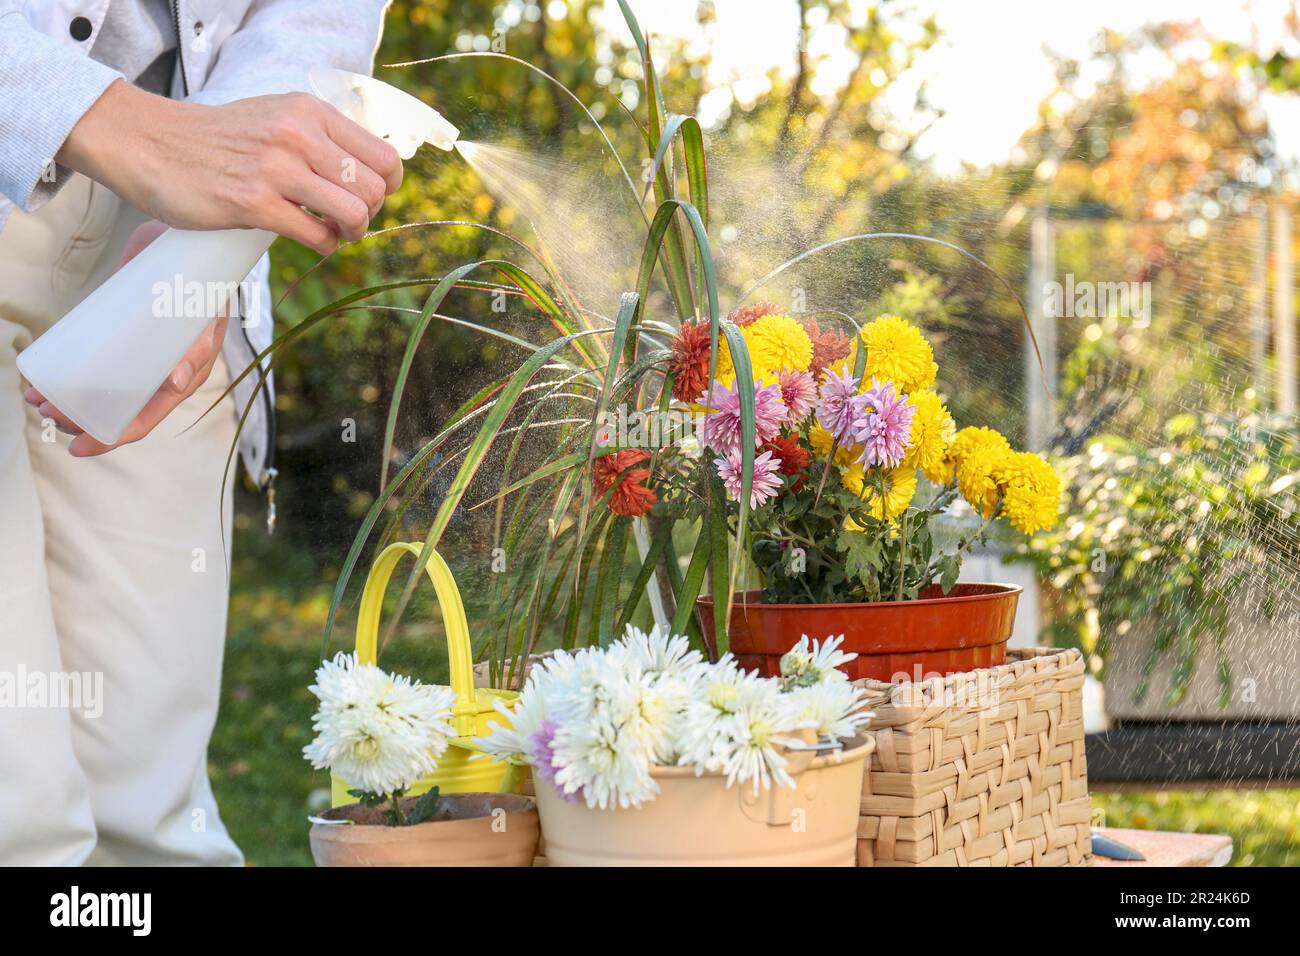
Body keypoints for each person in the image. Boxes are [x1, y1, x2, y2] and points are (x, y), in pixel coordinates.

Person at [0, 0, 400, 865]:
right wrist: (109, 122)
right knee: (14, 805)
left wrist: (211, 233)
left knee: (146, 810)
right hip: (57, 135)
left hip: (160, 227)